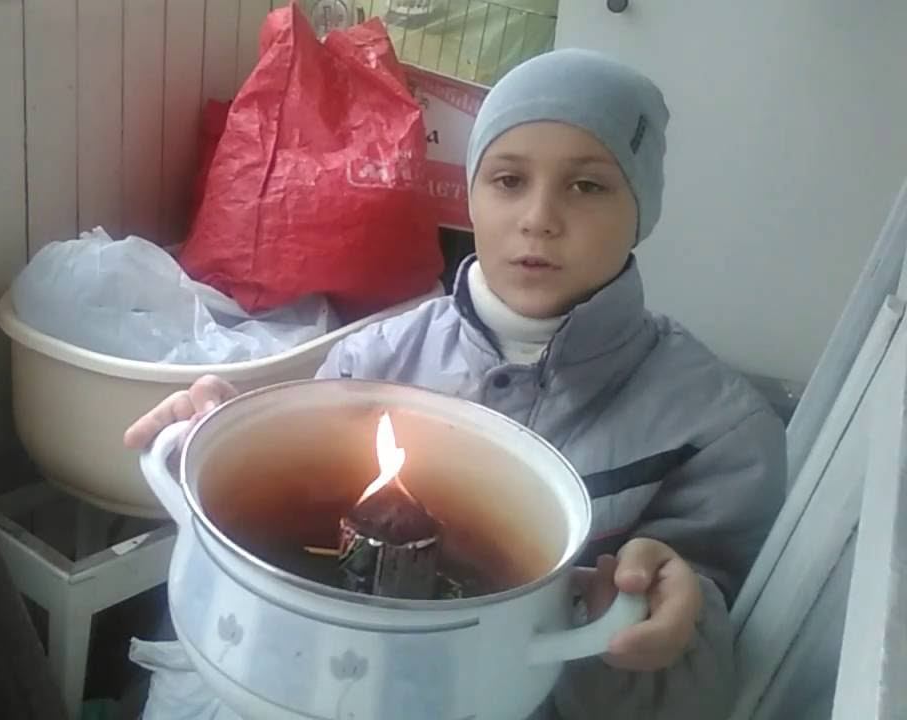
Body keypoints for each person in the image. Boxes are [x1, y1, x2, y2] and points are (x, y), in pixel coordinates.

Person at [124, 48, 785, 720]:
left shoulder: (714, 432)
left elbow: (696, 684)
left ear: (641, 209)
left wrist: (664, 617)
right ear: (470, 195)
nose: (539, 217)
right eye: (508, 179)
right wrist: (230, 442)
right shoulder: (373, 363)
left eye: (587, 186)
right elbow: (289, 548)